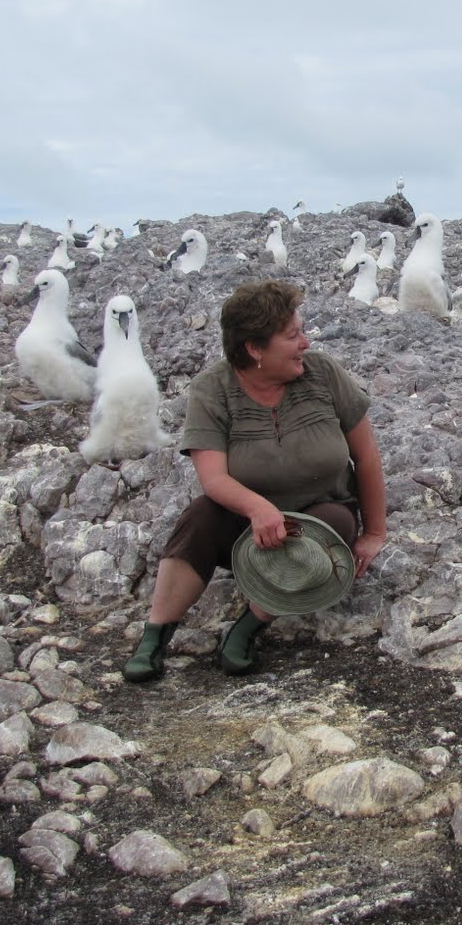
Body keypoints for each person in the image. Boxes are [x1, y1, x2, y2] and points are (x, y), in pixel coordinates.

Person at [122, 280, 387, 682]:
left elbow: (366, 456)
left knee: (333, 523)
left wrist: (375, 533)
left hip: (320, 513)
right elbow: (213, 478)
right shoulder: (213, 390)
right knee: (199, 519)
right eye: (293, 335)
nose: (305, 343)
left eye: (302, 331)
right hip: (247, 526)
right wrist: (259, 509)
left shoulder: (323, 373)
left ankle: (248, 627)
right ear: (254, 349)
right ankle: (156, 635)